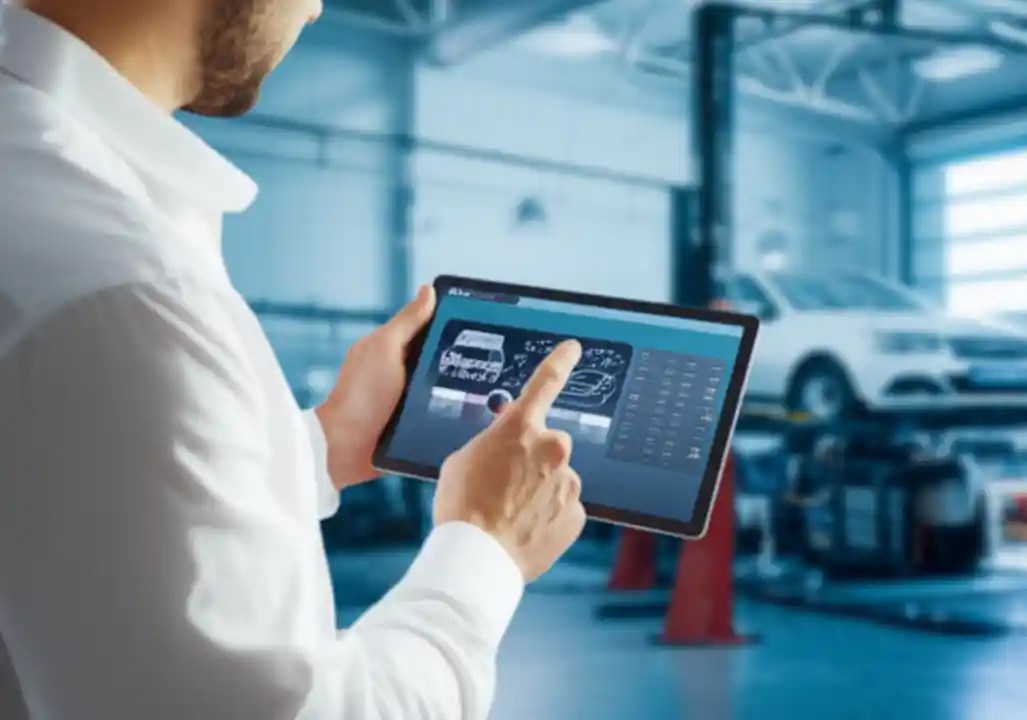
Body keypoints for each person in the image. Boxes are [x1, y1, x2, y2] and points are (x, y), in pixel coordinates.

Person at [0, 1, 587, 718]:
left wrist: (325, 443)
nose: (312, 8)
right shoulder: (123, 291)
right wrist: (485, 547)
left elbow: (60, 505)